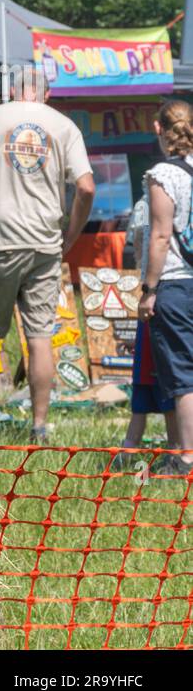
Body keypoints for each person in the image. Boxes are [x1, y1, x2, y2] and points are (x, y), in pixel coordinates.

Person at [0, 66, 94, 443]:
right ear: (45, 94)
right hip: (45, 244)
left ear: (13, 91)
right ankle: (40, 427)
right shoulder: (64, 126)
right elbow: (86, 187)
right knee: (40, 335)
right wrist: (70, 236)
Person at [137, 99, 193, 478]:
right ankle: (176, 450)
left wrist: (148, 288)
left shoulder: (163, 175)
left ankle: (187, 457)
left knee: (182, 372)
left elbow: (159, 236)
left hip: (174, 281)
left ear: (159, 129)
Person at [109, 195, 178, 473]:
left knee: (166, 377)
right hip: (164, 293)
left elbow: (141, 248)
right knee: (155, 375)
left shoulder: (148, 202)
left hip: (161, 293)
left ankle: (173, 449)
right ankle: (140, 447)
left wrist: (148, 287)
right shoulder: (148, 203)